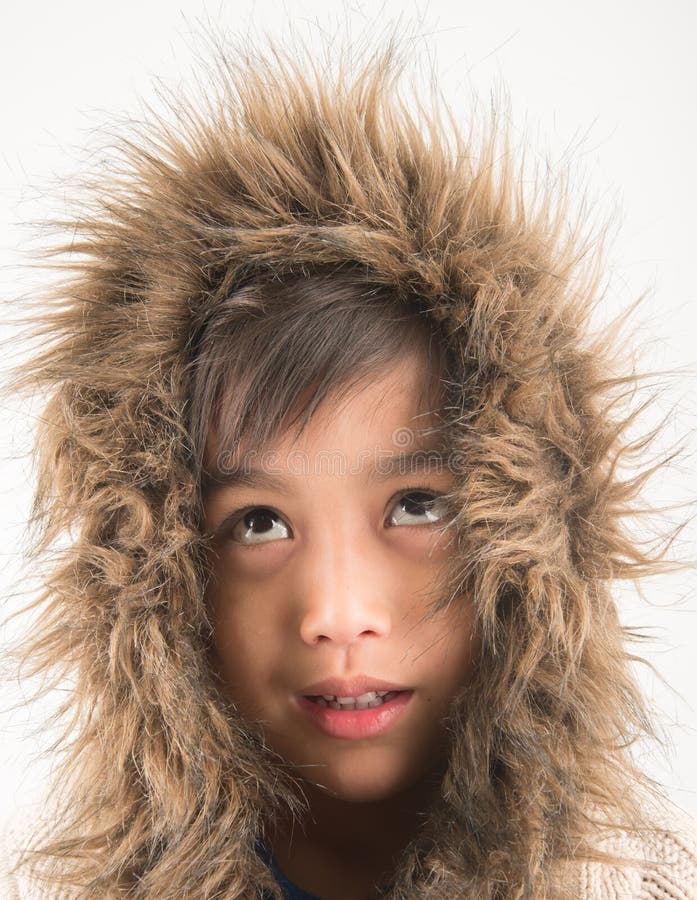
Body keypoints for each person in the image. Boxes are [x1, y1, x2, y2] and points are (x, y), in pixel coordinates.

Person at [1, 26, 696, 899]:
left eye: (416, 506)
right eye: (258, 522)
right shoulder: (43, 885)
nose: (336, 616)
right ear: (153, 579)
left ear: (537, 536)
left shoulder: (652, 878)